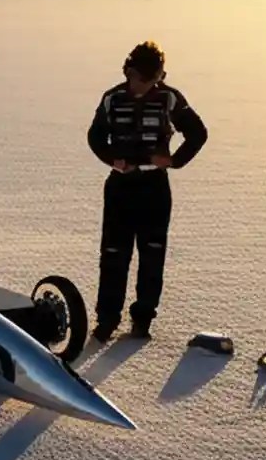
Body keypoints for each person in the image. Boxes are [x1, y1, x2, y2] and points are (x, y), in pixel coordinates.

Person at [86, 40, 207, 342]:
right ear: (129, 71)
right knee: (114, 254)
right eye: (143, 79)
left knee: (152, 255)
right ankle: (107, 318)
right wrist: (112, 158)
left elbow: (197, 133)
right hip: (121, 187)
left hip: (155, 187)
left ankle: (143, 319)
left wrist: (174, 160)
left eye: (155, 79)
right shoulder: (112, 99)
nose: (148, 86)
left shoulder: (169, 99)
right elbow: (95, 136)